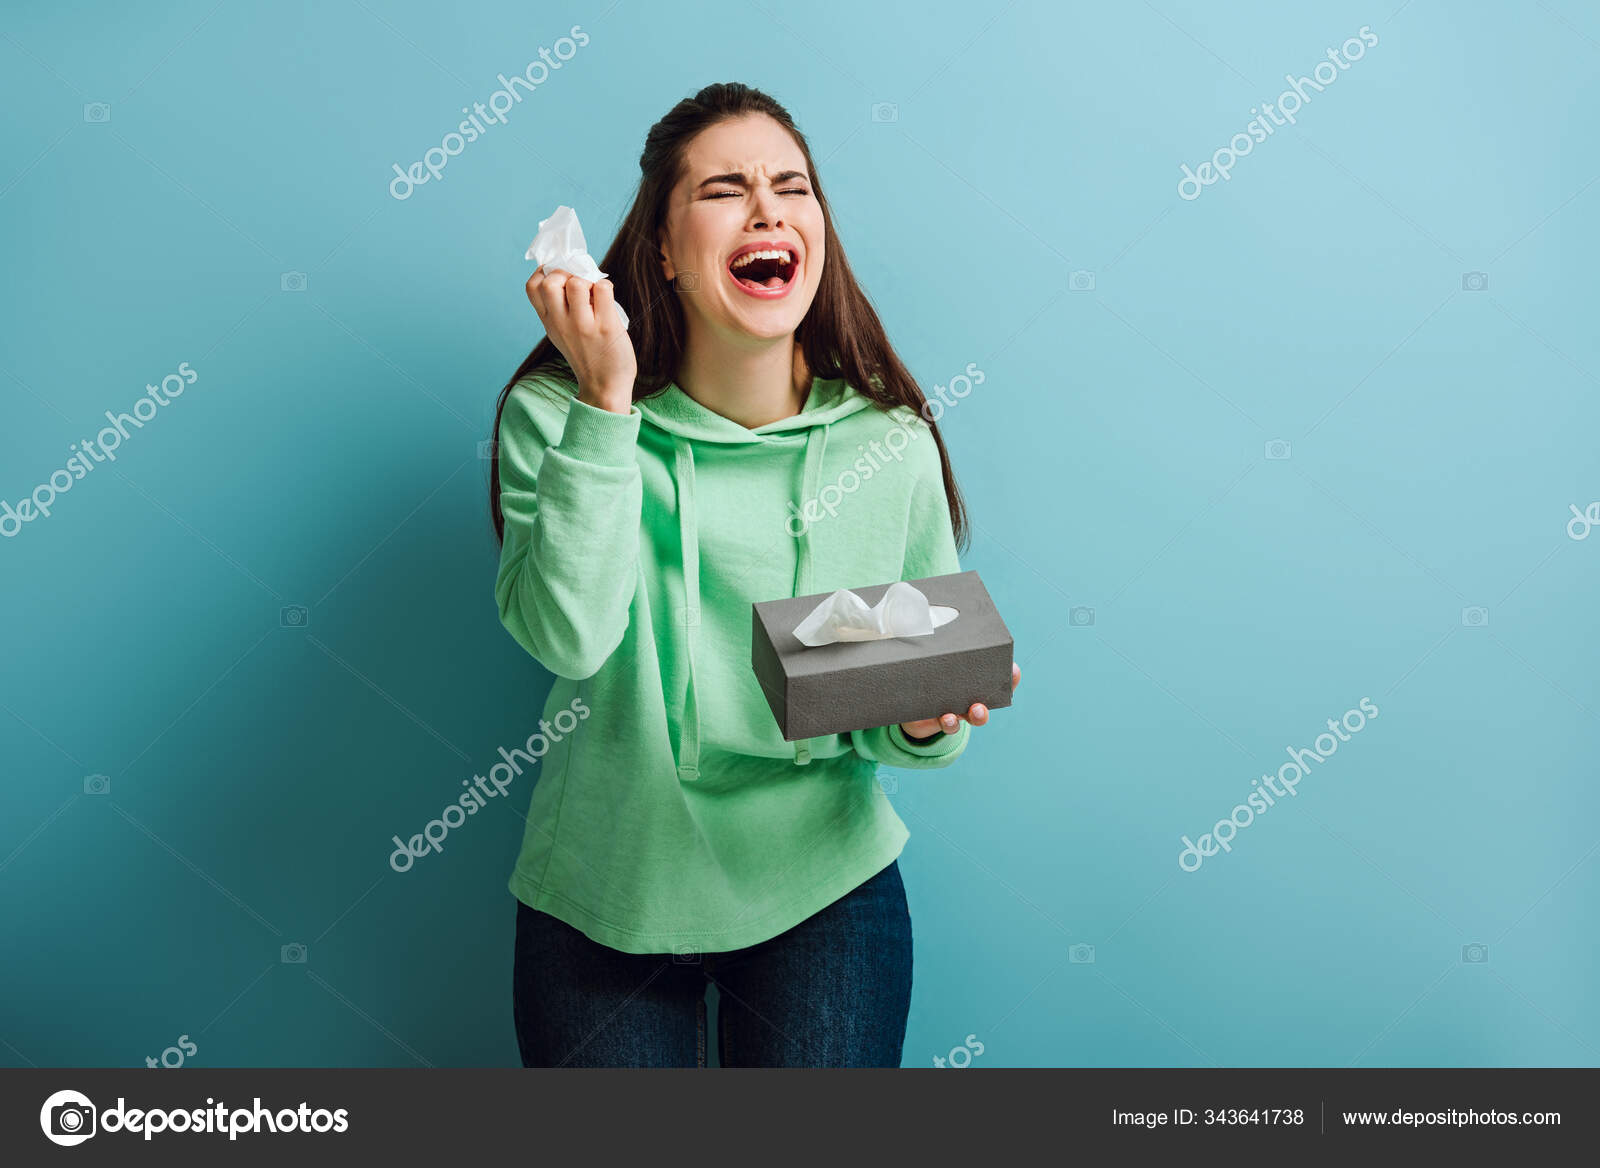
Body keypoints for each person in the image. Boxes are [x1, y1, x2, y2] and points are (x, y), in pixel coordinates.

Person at [489, 82, 1020, 1068]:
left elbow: (900, 712)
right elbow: (566, 637)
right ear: (661, 248)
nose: (770, 210)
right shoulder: (560, 419)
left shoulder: (886, 444)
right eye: (726, 190)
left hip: (823, 887)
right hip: (603, 891)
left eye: (793, 187)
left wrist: (917, 718)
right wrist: (606, 406)